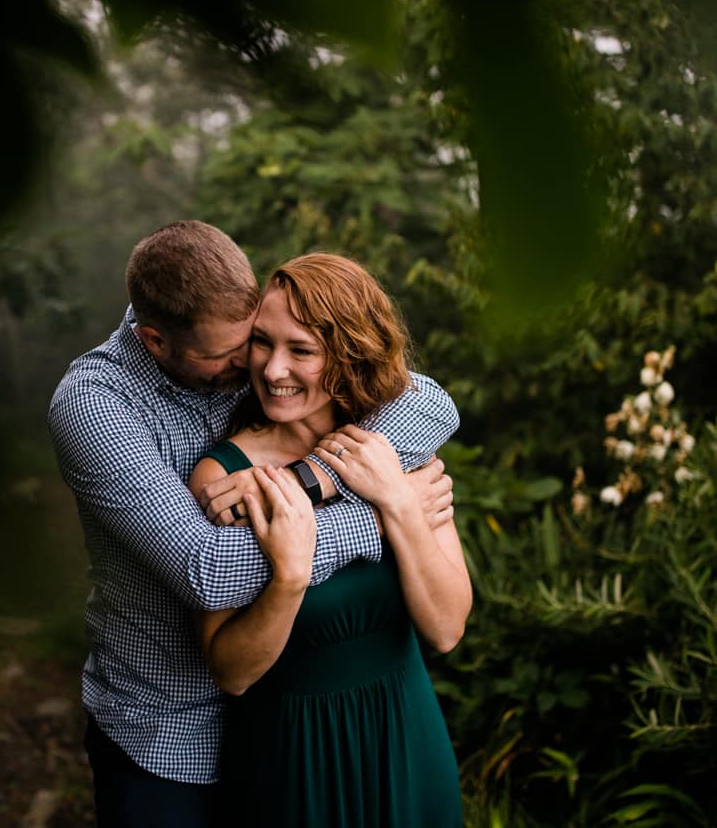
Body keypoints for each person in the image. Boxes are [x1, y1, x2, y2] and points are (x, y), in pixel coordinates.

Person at [48, 221, 460, 827]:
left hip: (296, 722)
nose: (258, 368)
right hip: (169, 732)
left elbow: (426, 398)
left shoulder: (240, 334)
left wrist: (309, 482)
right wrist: (388, 512)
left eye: (260, 342)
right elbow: (209, 570)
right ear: (156, 341)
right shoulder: (96, 406)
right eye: (234, 355)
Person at [187, 252, 469, 827]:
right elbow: (231, 672)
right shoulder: (225, 478)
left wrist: (396, 501)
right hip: (293, 754)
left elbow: (445, 630)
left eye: (301, 350)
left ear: (348, 355)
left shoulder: (395, 448)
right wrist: (288, 579)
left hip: (404, 733)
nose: (272, 369)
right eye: (263, 343)